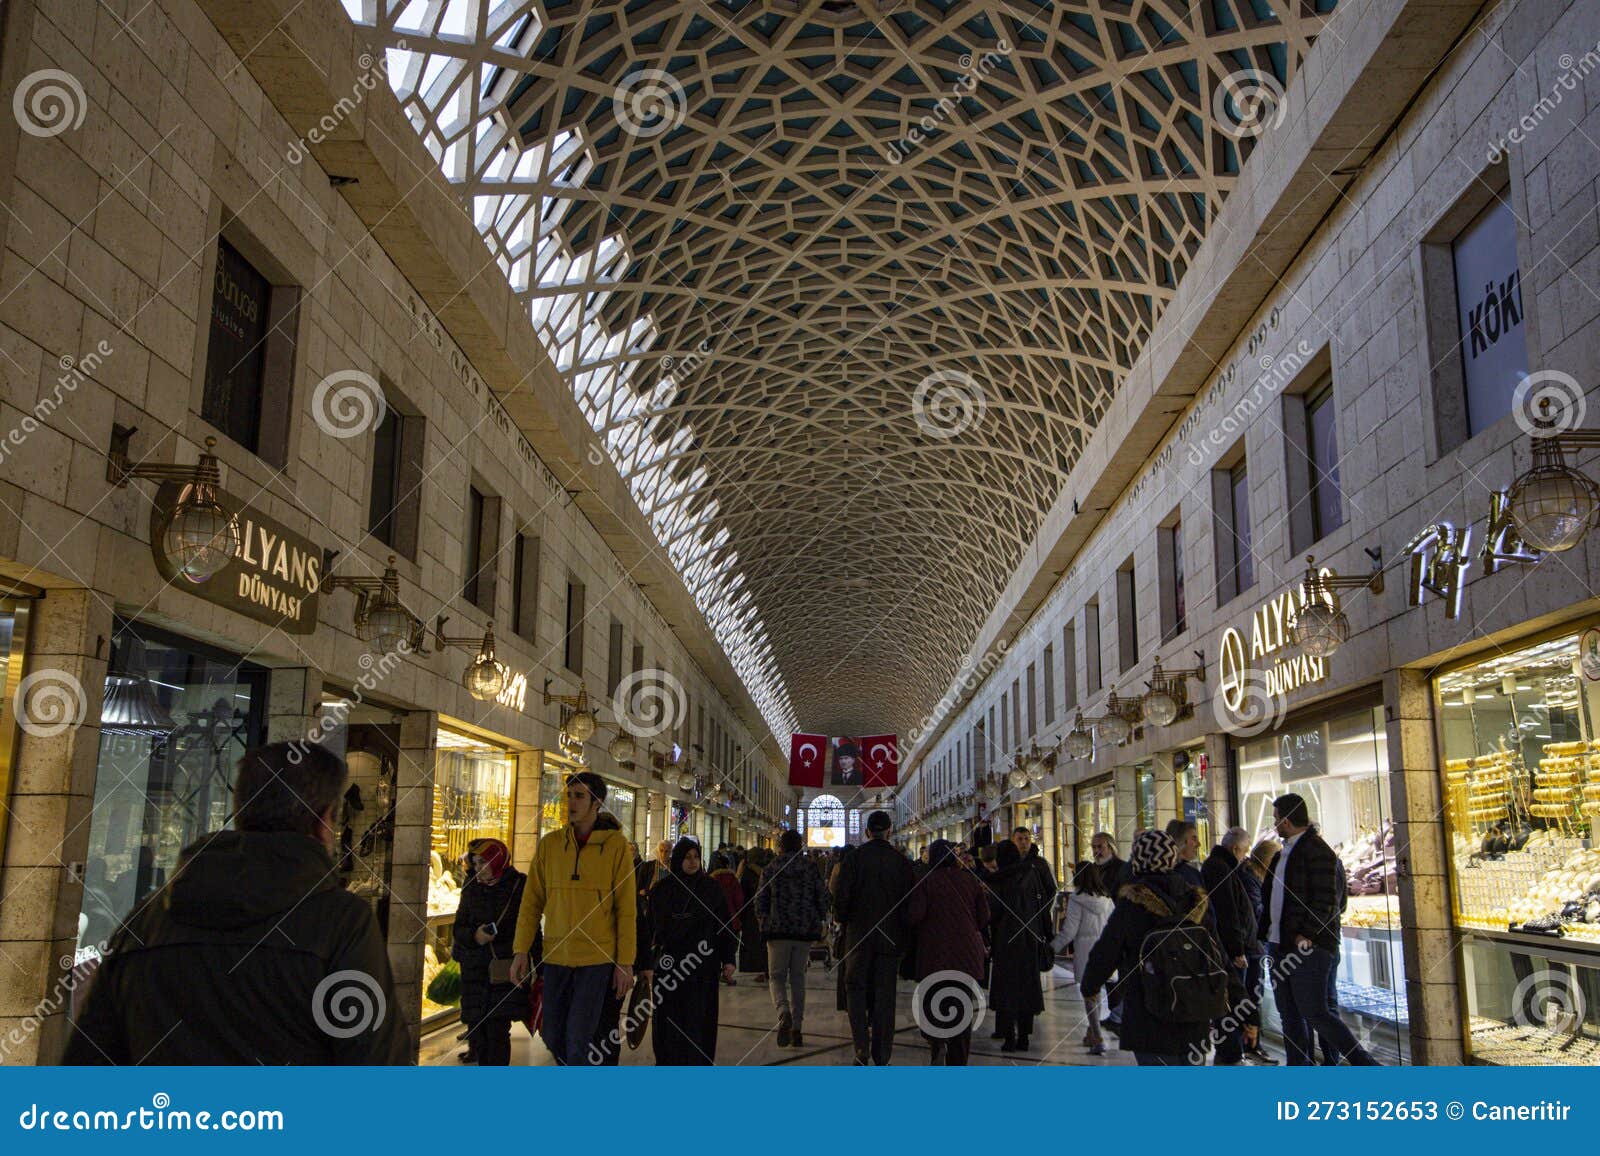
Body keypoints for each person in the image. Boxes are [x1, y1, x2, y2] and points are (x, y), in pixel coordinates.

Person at [64, 742, 411, 1064]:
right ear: (324, 821)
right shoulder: (342, 924)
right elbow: (376, 1063)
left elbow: (88, 1062)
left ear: (240, 810)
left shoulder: (145, 921)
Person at [510, 772, 636, 1065]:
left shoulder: (616, 847)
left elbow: (626, 909)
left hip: (596, 959)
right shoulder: (551, 845)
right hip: (556, 956)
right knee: (552, 1034)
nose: (571, 802)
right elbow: (531, 903)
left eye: (579, 796)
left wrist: (625, 961)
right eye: (569, 795)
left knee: (579, 1038)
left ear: (597, 803)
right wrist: (521, 950)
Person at [1078, 829, 1218, 1066]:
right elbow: (1216, 951)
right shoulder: (1195, 901)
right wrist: (1240, 1001)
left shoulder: (1132, 904)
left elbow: (1107, 950)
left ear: (1138, 860)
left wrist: (1090, 984)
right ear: (1172, 857)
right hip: (1192, 1009)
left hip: (1149, 1009)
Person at [1264, 793, 1379, 1066]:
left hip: (1307, 947)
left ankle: (1364, 1063)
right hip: (1279, 945)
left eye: (1277, 819)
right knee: (1289, 1014)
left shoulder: (1318, 852)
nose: (1275, 824)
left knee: (1315, 1012)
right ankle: (1298, 1066)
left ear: (1288, 821)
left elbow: (1327, 901)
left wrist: (1306, 933)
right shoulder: (1283, 854)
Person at [641, 837, 736, 1064]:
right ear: (678, 860)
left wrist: (728, 959)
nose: (692, 862)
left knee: (699, 1019)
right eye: (687, 857)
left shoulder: (711, 888)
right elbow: (648, 929)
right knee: (669, 1021)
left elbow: (724, 924)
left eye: (695, 857)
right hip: (670, 966)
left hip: (702, 967)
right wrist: (645, 963)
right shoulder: (662, 890)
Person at [830, 810, 915, 1064]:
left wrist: (844, 921)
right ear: (889, 831)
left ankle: (861, 1048)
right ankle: (881, 1053)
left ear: (867, 832)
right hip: (889, 939)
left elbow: (841, 901)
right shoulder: (901, 862)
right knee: (884, 996)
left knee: (855, 990)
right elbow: (908, 905)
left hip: (858, 937)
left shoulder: (854, 860)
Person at [905, 839, 990, 1064]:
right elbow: (984, 918)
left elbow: (914, 916)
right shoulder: (970, 880)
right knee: (961, 1007)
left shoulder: (926, 881)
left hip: (934, 955)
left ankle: (937, 1043)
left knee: (933, 1002)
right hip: (965, 957)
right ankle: (958, 1059)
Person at [451, 838, 527, 1066]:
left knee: (497, 1032)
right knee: (478, 1034)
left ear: (497, 861)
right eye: (475, 863)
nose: (479, 869)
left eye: (484, 862)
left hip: (502, 969)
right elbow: (459, 926)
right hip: (474, 970)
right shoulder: (471, 885)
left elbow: (528, 926)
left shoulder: (518, 885)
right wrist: (475, 936)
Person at [755, 829, 830, 1046]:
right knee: (798, 978)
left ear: (781, 846)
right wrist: (818, 919)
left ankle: (783, 1012)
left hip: (777, 931)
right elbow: (823, 898)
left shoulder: (771, 868)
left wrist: (764, 922)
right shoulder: (811, 868)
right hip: (804, 932)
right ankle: (797, 1028)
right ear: (800, 847)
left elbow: (760, 900)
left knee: (776, 976)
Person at [985, 839, 1049, 1052]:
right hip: (1029, 939)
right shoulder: (1032, 876)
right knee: (1026, 987)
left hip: (1006, 942)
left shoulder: (997, 881)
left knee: (1007, 990)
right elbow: (1042, 906)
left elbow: (991, 915)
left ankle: (1009, 1037)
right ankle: (1024, 1036)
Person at [1201, 826, 1256, 1065]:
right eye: (1243, 851)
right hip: (1228, 949)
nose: (1245, 856)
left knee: (1231, 1000)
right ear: (1235, 848)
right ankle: (1231, 1051)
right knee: (1232, 1000)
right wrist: (1237, 950)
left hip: (1229, 946)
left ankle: (1233, 1049)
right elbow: (1228, 912)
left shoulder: (1220, 866)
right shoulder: (1220, 868)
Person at [1053, 861, 1114, 1055]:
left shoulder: (1077, 900)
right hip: (1106, 949)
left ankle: (1097, 1037)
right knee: (1096, 993)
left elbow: (1069, 931)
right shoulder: (1107, 899)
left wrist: (1051, 947)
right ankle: (1091, 1031)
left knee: (1090, 994)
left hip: (1086, 950)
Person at [1243, 838, 1280, 1064]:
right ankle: (1251, 1044)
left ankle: (1251, 1043)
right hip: (1252, 949)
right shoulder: (1252, 881)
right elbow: (1257, 913)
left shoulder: (1255, 878)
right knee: (1251, 996)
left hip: (1255, 947)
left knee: (1252, 995)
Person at [708, 851, 745, 984]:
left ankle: (715, 973)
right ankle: (728, 975)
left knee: (715, 948)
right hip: (731, 919)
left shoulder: (710, 880)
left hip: (714, 921)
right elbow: (739, 899)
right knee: (730, 949)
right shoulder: (733, 879)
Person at [737, 848, 769, 981]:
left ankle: (760, 969)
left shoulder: (748, 872)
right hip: (767, 912)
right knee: (765, 943)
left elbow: (742, 892)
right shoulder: (768, 869)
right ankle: (767, 969)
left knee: (753, 942)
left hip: (751, 912)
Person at [1012, 826, 1059, 914]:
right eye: (1020, 839)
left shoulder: (1041, 863)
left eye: (1027, 839)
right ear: (1013, 841)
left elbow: (1051, 889)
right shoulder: (1009, 863)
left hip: (1036, 916)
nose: (1023, 842)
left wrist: (1043, 912)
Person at [1166, 819, 1203, 887]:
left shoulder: (1159, 873)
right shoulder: (1190, 875)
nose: (1199, 844)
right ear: (1181, 841)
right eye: (1194, 839)